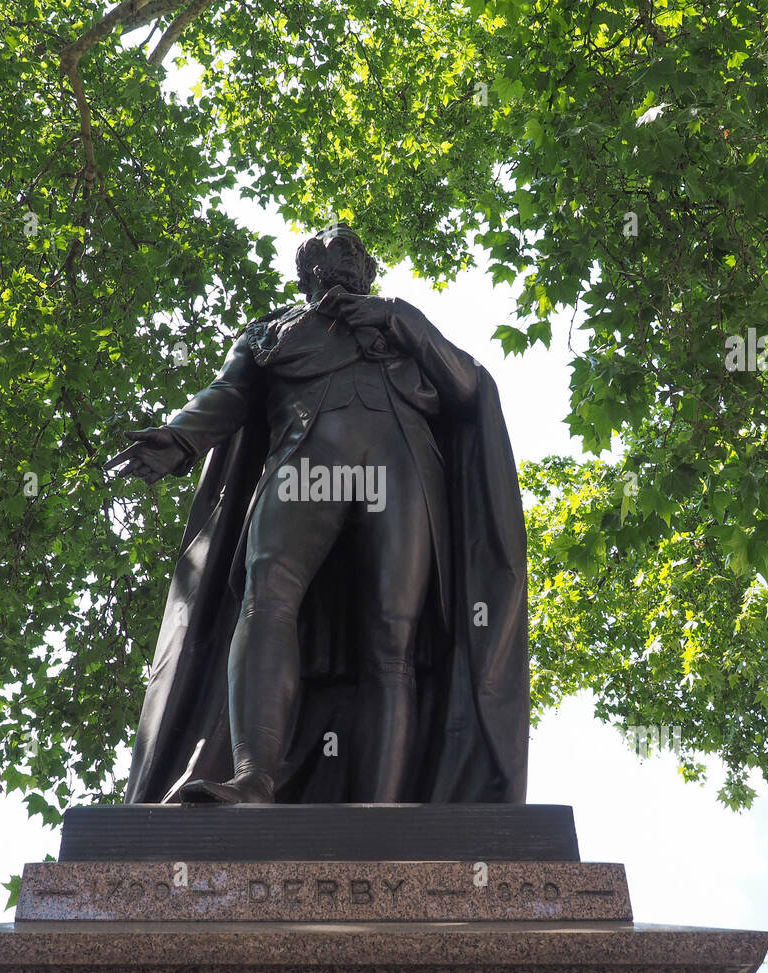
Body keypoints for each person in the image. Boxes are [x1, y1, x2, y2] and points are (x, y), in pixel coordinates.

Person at [114, 224, 529, 804]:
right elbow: (226, 394)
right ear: (304, 275)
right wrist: (180, 438)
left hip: (400, 469)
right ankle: (253, 780)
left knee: (393, 637)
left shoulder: (399, 323)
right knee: (266, 598)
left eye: (348, 255)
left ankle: (382, 811)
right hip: (303, 464)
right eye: (321, 257)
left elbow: (467, 388)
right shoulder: (270, 332)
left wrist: (397, 319)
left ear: (366, 270)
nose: (335, 262)